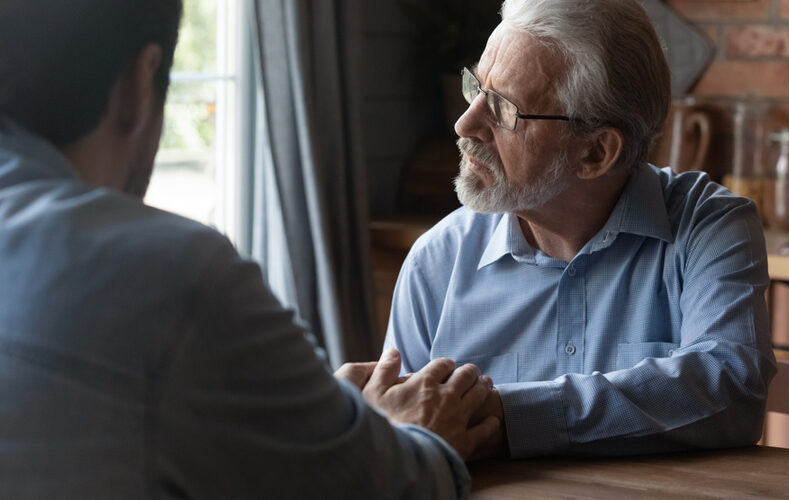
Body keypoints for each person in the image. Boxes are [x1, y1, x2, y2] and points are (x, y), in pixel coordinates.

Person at [0, 1, 498, 497]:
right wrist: (414, 437)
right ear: (137, 85)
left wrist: (315, 415)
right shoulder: (175, 276)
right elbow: (395, 488)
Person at [384, 0, 777, 459]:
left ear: (595, 153)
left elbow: (732, 390)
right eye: (476, 87)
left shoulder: (708, 227)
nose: (465, 123)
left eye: (503, 109)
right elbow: (404, 447)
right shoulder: (437, 261)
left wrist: (507, 416)